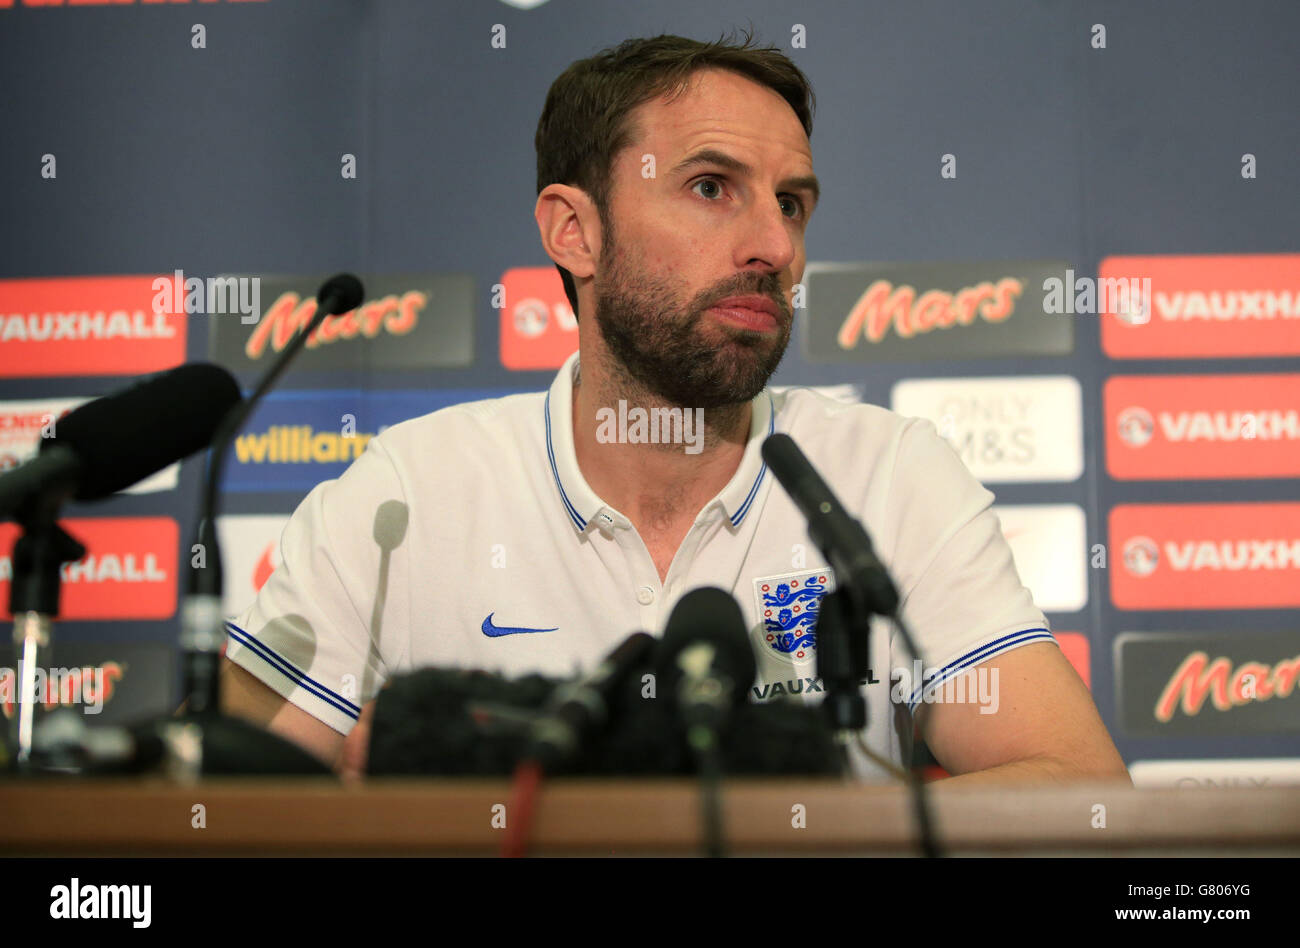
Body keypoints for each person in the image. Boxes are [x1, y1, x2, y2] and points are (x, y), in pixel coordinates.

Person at [219, 30, 1130, 786]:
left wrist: (784, 829)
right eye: (710, 188)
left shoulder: (888, 478)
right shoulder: (404, 499)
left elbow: (1078, 791)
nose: (774, 244)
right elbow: (220, 798)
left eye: (792, 204)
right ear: (574, 231)